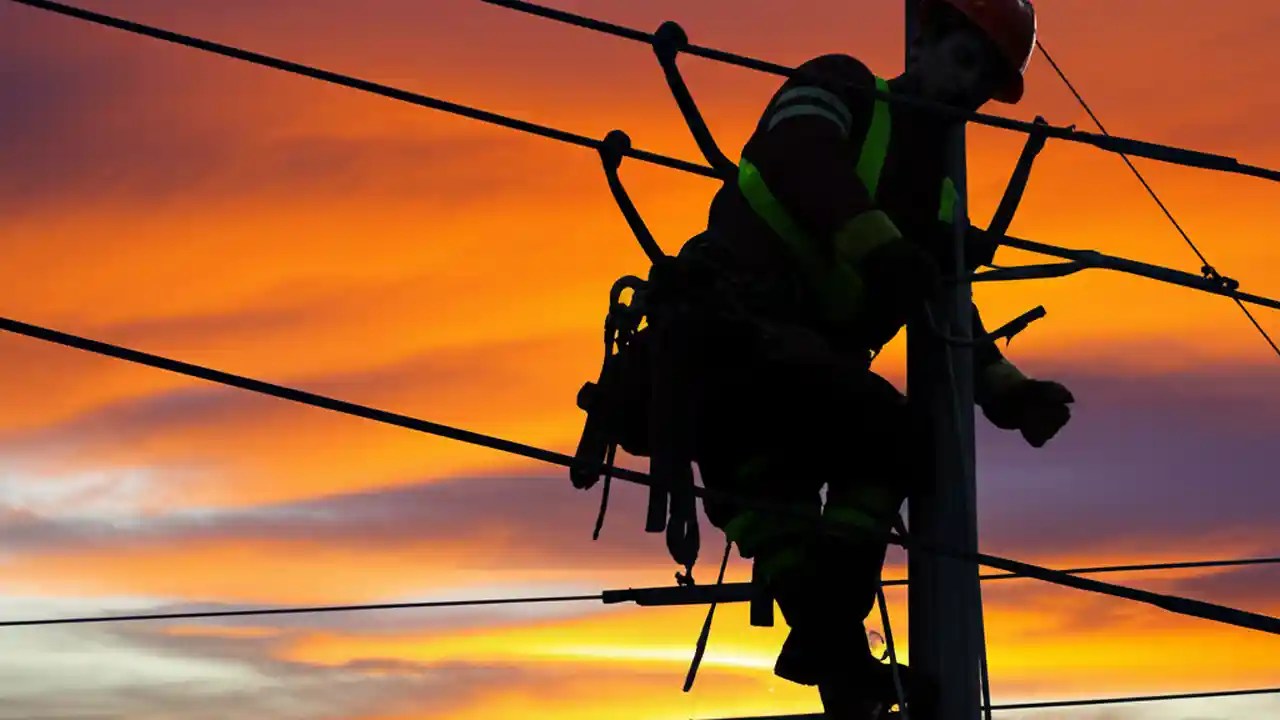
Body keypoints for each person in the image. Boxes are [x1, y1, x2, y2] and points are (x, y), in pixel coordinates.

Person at [667, 0, 1075, 717]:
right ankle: (834, 643)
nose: (969, 90)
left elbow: (946, 311)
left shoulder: (938, 194)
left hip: (803, 379)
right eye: (965, 62)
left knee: (849, 472)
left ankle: (835, 654)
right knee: (880, 441)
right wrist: (880, 247)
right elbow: (802, 157)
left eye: (987, 84)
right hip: (727, 338)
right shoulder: (841, 85)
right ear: (922, 41)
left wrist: (1009, 391)